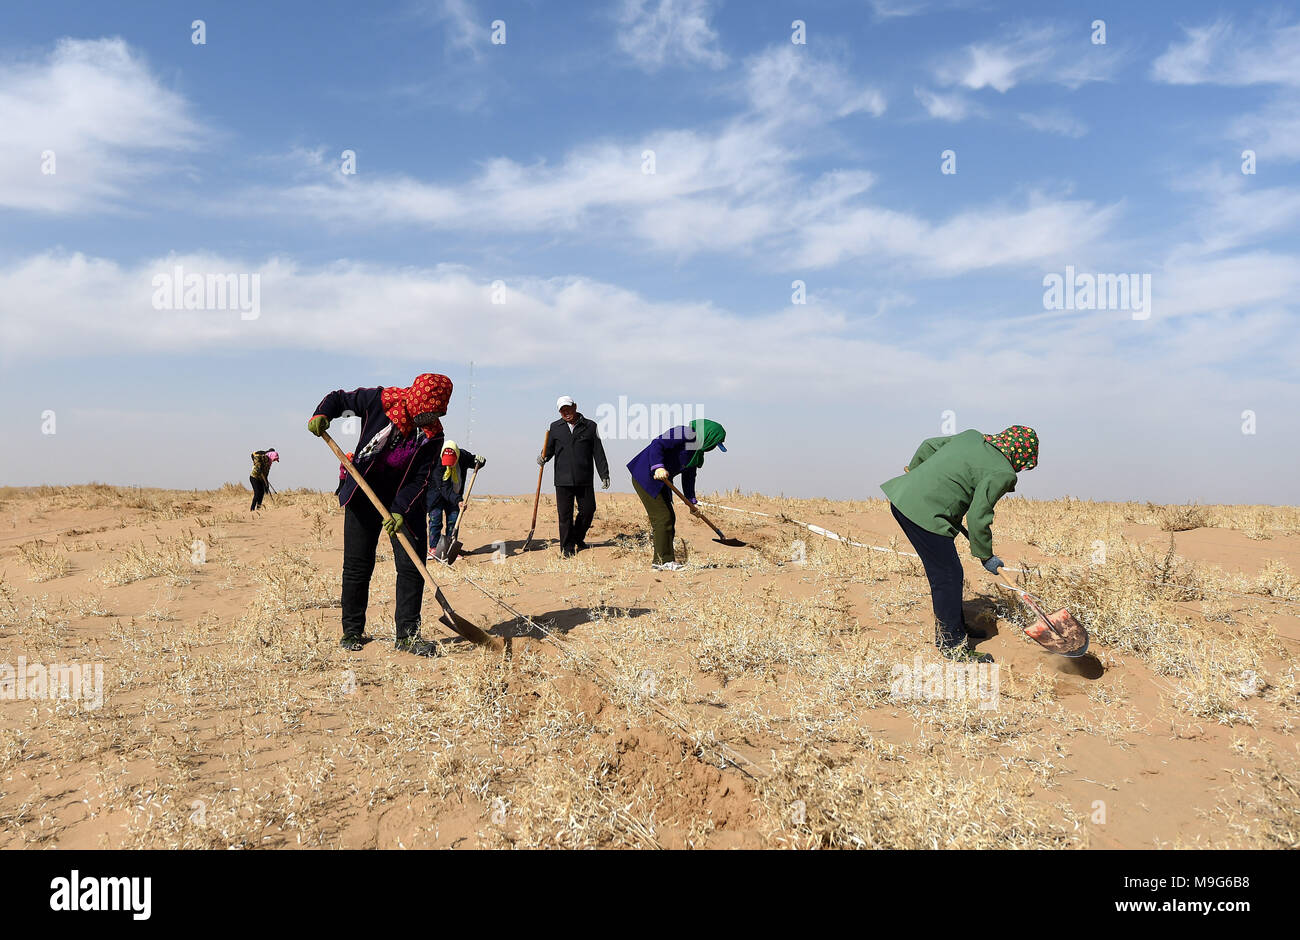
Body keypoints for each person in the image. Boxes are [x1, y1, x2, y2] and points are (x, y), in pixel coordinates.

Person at [307, 373, 453, 656]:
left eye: (436, 413)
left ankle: (407, 635)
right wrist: (322, 413)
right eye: (427, 411)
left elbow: (420, 478)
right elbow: (339, 400)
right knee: (357, 566)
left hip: (405, 504)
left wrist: (399, 510)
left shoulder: (434, 435)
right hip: (363, 494)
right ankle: (352, 631)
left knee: (412, 567)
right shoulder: (378, 401)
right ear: (415, 399)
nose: (429, 418)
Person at [879, 425, 1040, 664]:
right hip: (924, 515)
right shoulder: (1003, 472)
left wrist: (915, 470)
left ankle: (956, 628)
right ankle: (952, 644)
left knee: (950, 573)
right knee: (947, 575)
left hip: (902, 499)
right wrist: (985, 555)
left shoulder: (971, 437)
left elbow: (928, 445)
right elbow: (978, 516)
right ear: (1022, 456)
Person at [625, 419, 727, 571]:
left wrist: (692, 501)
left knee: (669, 518)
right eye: (713, 443)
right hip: (646, 476)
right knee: (662, 517)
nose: (711, 448)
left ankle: (661, 561)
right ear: (708, 436)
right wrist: (658, 466)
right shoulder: (685, 432)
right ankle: (663, 561)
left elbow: (689, 475)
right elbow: (657, 444)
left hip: (664, 480)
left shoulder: (696, 451)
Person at [538, 396, 610, 557]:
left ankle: (577, 537)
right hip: (562, 480)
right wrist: (542, 457)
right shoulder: (555, 427)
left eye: (568, 408)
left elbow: (598, 452)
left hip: (584, 478)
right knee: (565, 516)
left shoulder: (590, 426)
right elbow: (548, 451)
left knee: (589, 510)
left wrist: (604, 473)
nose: (566, 412)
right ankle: (567, 547)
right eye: (562, 410)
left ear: (575, 406)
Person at [427, 440, 485, 562]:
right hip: (436, 495)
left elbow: (474, 461)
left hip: (455, 492)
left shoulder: (463, 456)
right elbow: (444, 488)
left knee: (453, 521)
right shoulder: (438, 463)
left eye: (451, 462)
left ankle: (450, 548)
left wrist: (480, 461)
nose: (449, 466)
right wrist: (458, 500)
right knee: (435, 520)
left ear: (457, 456)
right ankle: (433, 548)